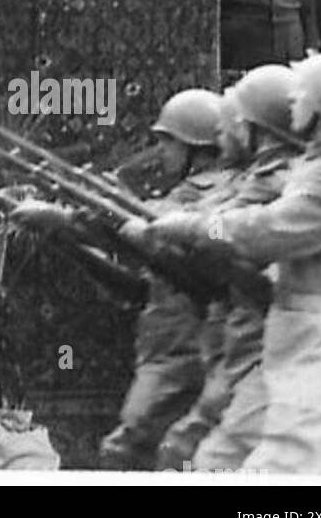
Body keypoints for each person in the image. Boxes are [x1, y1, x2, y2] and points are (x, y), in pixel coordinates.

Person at [142, 52, 321, 475]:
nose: (293, 105)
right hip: (319, 347)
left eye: (303, 99)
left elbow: (263, 229)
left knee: (267, 469)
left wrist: (190, 226)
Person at [154, 67, 298, 470]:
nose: (222, 136)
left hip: (269, 340)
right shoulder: (266, 177)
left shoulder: (278, 183)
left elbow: (234, 226)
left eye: (232, 125)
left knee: (209, 455)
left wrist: (184, 224)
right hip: (242, 336)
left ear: (257, 128)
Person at [95, 89, 226, 470]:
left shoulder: (206, 195)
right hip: (172, 344)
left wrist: (100, 210)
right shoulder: (185, 192)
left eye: (170, 142)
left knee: (129, 447)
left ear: (197, 149)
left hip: (187, 346)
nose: (161, 152)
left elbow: (152, 231)